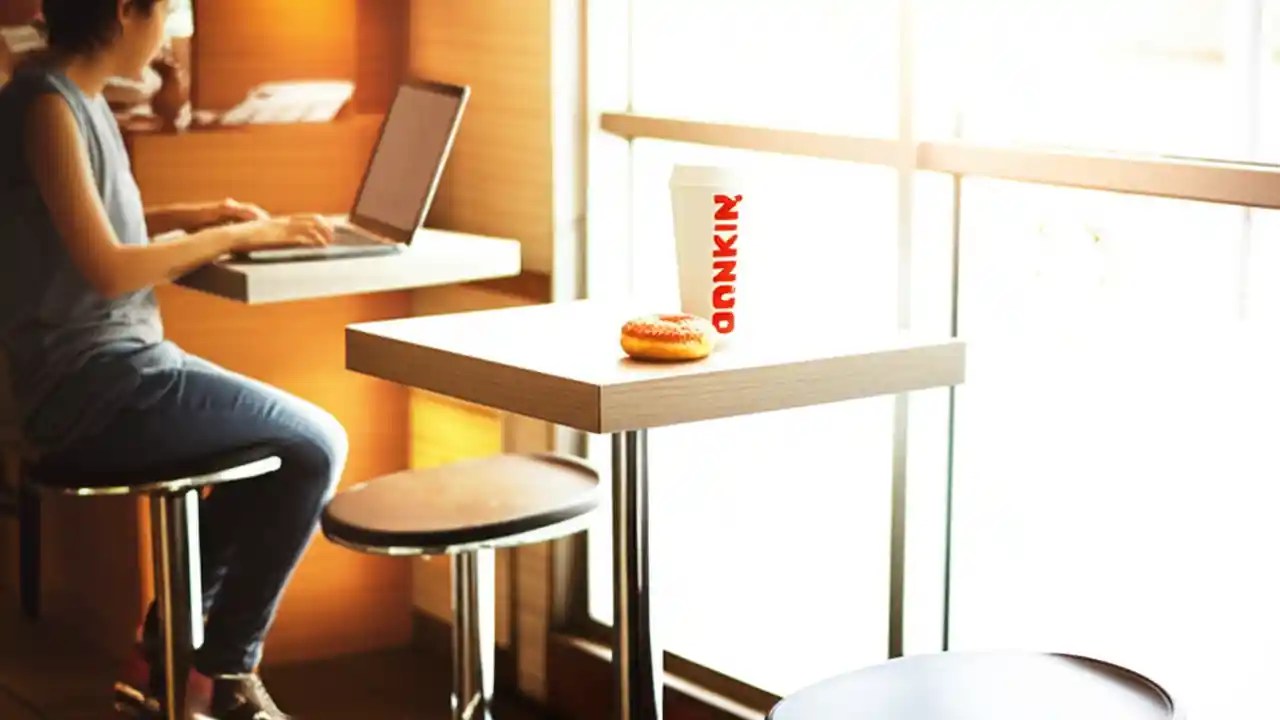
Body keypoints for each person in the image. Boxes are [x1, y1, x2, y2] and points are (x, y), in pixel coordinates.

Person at [0, 1, 347, 717]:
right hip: (91, 385)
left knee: (281, 447)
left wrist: (193, 215)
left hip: (111, 370)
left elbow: (82, 225)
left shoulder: (72, 98)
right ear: (127, 12)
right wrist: (242, 236)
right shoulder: (45, 106)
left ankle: (169, 652)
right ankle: (220, 674)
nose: (166, 30)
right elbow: (108, 267)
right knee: (315, 444)